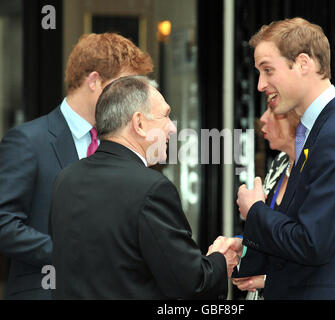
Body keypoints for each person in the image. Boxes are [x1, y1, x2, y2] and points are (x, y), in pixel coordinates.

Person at [49, 76, 239, 299]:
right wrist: (219, 260)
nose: (172, 129)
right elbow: (189, 283)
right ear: (139, 123)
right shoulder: (152, 188)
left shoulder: (65, 178)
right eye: (166, 116)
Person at [233, 17, 335, 299]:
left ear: (303, 64)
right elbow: (299, 237)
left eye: (268, 70)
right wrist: (243, 251)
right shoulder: (320, 132)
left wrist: (255, 211)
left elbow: (311, 243)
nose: (260, 85)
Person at [0, 33, 153, 299]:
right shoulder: (28, 141)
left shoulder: (123, 144)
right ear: (94, 81)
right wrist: (70, 253)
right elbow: (4, 224)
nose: (131, 98)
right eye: (123, 85)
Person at [232, 109, 299, 299]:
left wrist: (269, 279)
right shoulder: (280, 163)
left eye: (273, 110)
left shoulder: (314, 169)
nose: (262, 118)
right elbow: (267, 234)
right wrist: (241, 246)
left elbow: (310, 245)